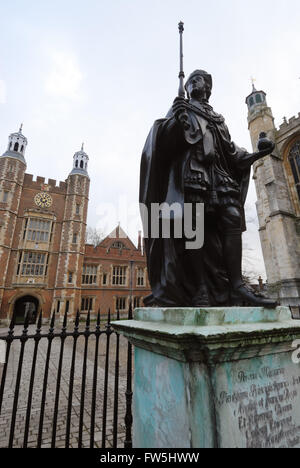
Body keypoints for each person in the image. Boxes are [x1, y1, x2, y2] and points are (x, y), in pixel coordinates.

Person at [140, 69, 276, 308]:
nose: (193, 83)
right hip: (192, 172)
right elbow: (164, 143)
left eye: (198, 79)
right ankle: (201, 288)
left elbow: (230, 152)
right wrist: (175, 121)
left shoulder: (217, 118)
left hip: (218, 175)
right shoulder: (181, 108)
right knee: (194, 227)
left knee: (232, 217)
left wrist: (256, 154)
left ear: (207, 88)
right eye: (190, 80)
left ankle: (237, 286)